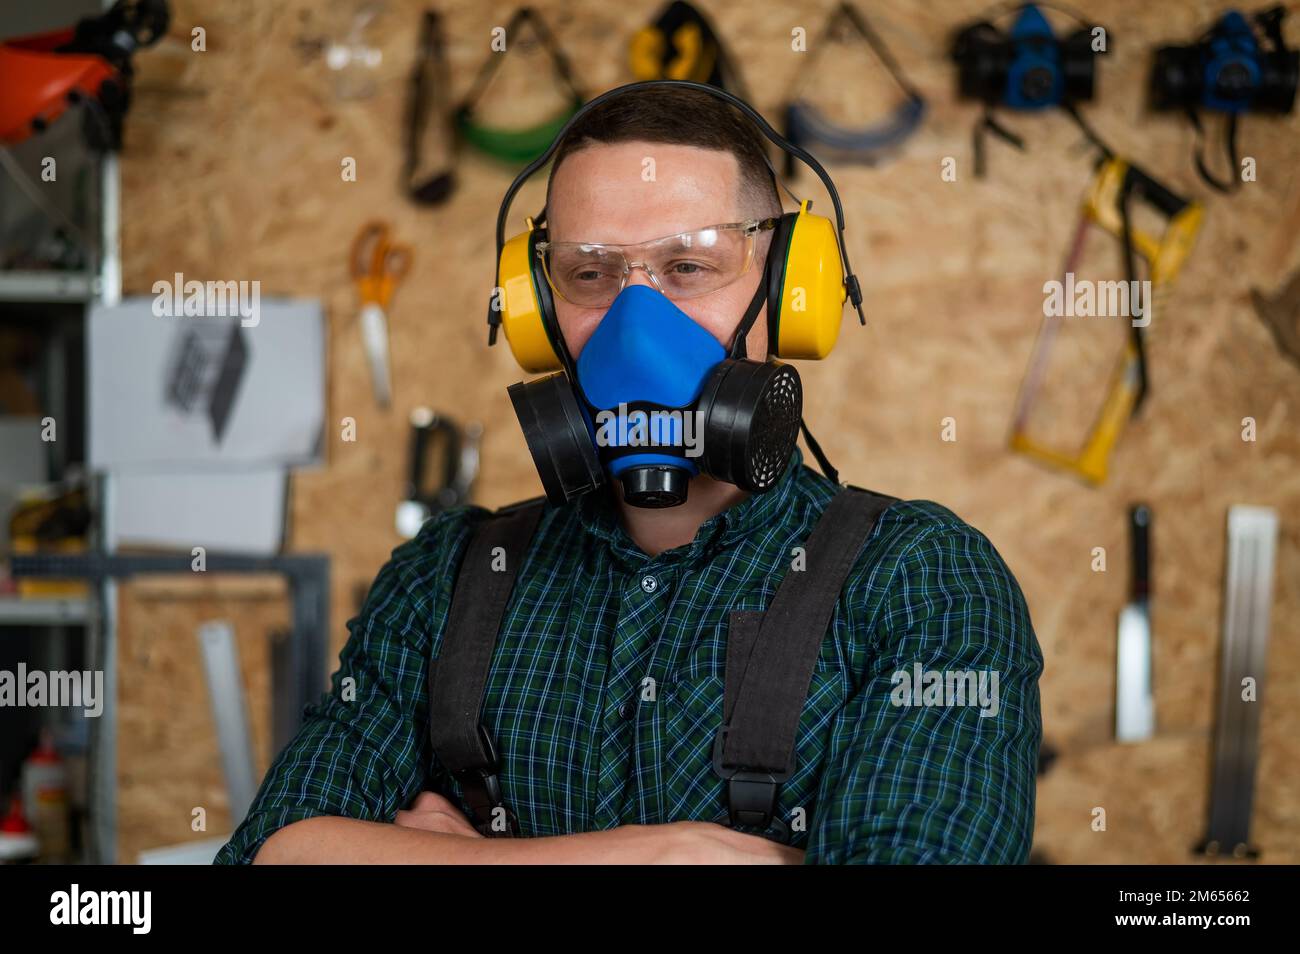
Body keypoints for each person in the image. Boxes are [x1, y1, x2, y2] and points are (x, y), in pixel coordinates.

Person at [215, 83, 1042, 865]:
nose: (635, 326)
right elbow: (274, 852)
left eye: (690, 268)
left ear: (793, 291)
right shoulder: (446, 579)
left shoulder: (921, 579)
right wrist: (668, 852)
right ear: (539, 312)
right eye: (590, 274)